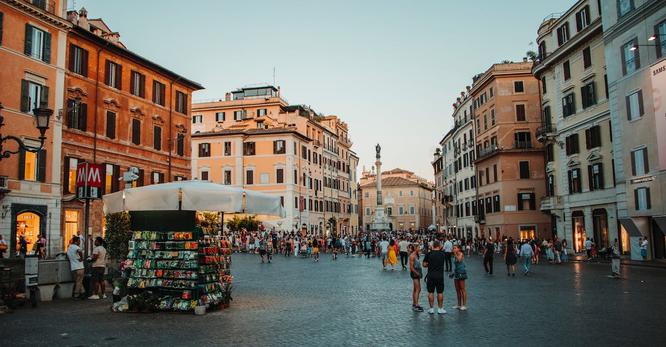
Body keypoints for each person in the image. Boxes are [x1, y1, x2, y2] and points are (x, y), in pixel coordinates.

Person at [422, 240, 446, 315]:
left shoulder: (429, 254)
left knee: (431, 292)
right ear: (439, 245)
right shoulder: (442, 254)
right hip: (440, 276)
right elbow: (442, 250)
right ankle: (440, 308)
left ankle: (431, 309)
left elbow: (424, 265)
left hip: (431, 275)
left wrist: (429, 264)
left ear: (433, 246)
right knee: (440, 292)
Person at [408, 244, 423, 312]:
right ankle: (416, 305)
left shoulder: (416, 255)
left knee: (416, 289)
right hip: (415, 273)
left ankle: (414, 303)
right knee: (418, 289)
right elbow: (411, 267)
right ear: (415, 248)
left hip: (417, 272)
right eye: (419, 247)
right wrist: (417, 273)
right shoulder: (412, 256)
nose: (420, 248)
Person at [452, 245, 468, 310]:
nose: (454, 249)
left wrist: (455, 253)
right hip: (456, 273)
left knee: (462, 289)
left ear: (459, 249)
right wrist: (453, 273)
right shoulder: (455, 255)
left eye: (455, 248)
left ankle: (464, 305)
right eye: (453, 248)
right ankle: (459, 304)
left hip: (461, 272)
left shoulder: (461, 254)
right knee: (457, 289)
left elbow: (459, 260)